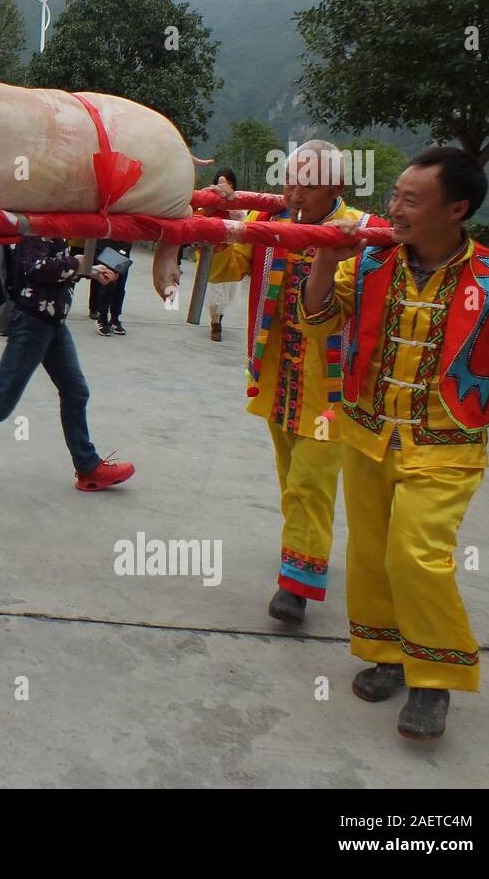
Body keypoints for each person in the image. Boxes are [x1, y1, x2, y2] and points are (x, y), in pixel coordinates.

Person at [301, 146, 489, 741]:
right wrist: (326, 258)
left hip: (448, 445)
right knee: (372, 552)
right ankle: (388, 654)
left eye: (410, 199)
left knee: (416, 556)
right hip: (366, 433)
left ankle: (434, 679)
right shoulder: (372, 263)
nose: (393, 208)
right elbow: (318, 321)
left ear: (457, 208)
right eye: (394, 195)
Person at [207, 140, 380, 626]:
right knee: (290, 477)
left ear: (336, 187)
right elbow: (229, 270)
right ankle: (299, 553)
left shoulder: (361, 233)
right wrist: (223, 227)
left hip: (333, 386)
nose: (295, 190)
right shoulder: (267, 224)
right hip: (275, 375)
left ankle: (297, 585)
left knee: (310, 481)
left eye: (308, 181)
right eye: (291, 178)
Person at [0, 235, 135, 495]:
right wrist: (77, 263)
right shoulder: (36, 221)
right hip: (34, 321)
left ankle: (88, 467)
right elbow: (35, 267)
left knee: (76, 392)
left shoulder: (56, 219)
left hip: (53, 321)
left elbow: (56, 265)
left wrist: (90, 270)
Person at [204, 169, 242, 342]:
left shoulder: (239, 202)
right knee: (213, 286)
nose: (226, 187)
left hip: (230, 251)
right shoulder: (208, 197)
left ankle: (218, 316)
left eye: (230, 184)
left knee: (228, 288)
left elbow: (243, 223)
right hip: (211, 250)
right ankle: (215, 324)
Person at [93, 240, 131, 336]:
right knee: (109, 284)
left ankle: (115, 319)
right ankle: (102, 319)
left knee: (120, 287)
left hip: (124, 247)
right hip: (106, 246)